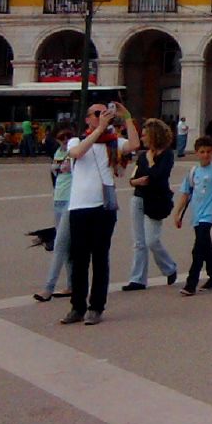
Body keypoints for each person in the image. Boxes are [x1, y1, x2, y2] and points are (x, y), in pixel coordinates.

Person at [60, 100, 131, 326]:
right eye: (97, 113)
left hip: (103, 208)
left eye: (105, 113)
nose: (102, 116)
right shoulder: (77, 140)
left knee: (100, 257)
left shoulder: (113, 143)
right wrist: (99, 129)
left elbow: (134, 145)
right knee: (79, 258)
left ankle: (96, 306)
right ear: (88, 118)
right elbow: (77, 153)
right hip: (79, 207)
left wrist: (127, 118)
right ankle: (77, 306)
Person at [173, 135, 212, 296]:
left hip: (208, 214)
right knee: (206, 246)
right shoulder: (193, 172)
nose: (206, 155)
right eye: (202, 152)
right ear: (196, 153)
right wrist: (177, 213)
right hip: (196, 214)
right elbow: (185, 194)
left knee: (198, 249)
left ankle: (191, 283)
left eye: (208, 152)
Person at [122, 118, 178, 292]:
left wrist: (152, 161)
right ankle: (137, 279)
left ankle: (169, 267)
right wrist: (135, 181)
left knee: (151, 240)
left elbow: (158, 175)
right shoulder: (141, 156)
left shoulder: (167, 155)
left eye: (145, 135)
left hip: (156, 201)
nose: (143, 138)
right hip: (139, 198)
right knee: (139, 242)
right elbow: (133, 179)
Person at [32, 124, 75, 304]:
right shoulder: (58, 152)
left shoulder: (75, 152)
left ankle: (48, 288)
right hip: (58, 198)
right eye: (61, 138)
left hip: (70, 200)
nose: (64, 141)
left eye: (67, 137)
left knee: (59, 244)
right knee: (66, 247)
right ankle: (72, 284)